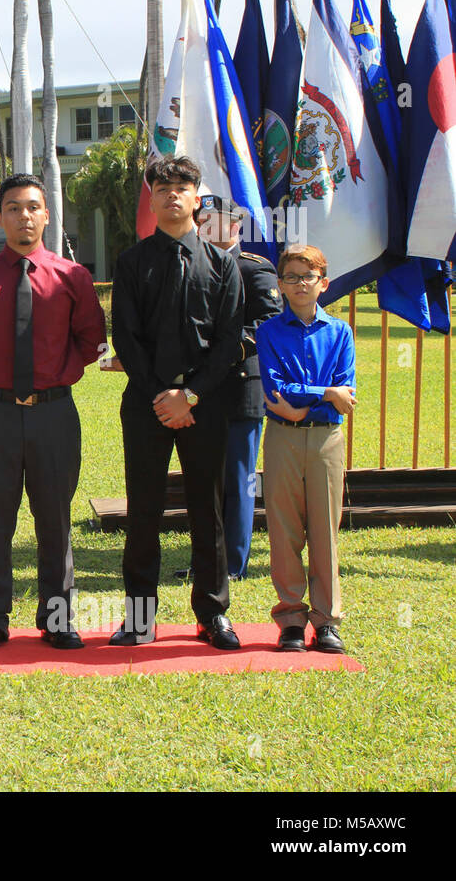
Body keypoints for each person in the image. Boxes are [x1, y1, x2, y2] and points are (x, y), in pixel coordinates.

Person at [0, 174, 106, 650]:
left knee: (55, 518)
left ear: (46, 215)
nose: (24, 216)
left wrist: (60, 376)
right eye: (13, 208)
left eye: (33, 207)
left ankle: (57, 618)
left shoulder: (73, 276)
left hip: (55, 414)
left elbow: (91, 339)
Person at [110, 156, 242, 649]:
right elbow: (125, 335)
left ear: (196, 196)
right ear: (152, 197)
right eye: (161, 186)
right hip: (146, 403)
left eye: (181, 186)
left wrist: (189, 395)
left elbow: (230, 341)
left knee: (207, 510)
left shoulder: (223, 264)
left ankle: (212, 613)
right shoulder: (131, 262)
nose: (171, 194)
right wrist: (161, 395)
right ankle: (139, 617)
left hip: (204, 405)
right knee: (143, 510)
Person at [174, 195, 281, 581]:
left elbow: (268, 325)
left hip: (238, 390)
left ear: (237, 226)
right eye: (202, 220)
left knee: (237, 482)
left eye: (217, 220)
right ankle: (205, 560)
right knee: (203, 481)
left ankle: (232, 565)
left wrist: (220, 353)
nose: (207, 226)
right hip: (198, 392)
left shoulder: (255, 269)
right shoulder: (187, 265)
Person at [256, 245, 355, 654]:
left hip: (326, 440)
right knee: (283, 528)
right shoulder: (268, 331)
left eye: (308, 276)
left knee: (324, 530)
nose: (300, 284)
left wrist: (316, 398)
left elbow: (345, 390)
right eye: (292, 277)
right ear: (280, 285)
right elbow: (276, 389)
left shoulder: (341, 332)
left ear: (323, 284)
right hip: (283, 437)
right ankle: (292, 619)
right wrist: (325, 392)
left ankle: (327, 621)